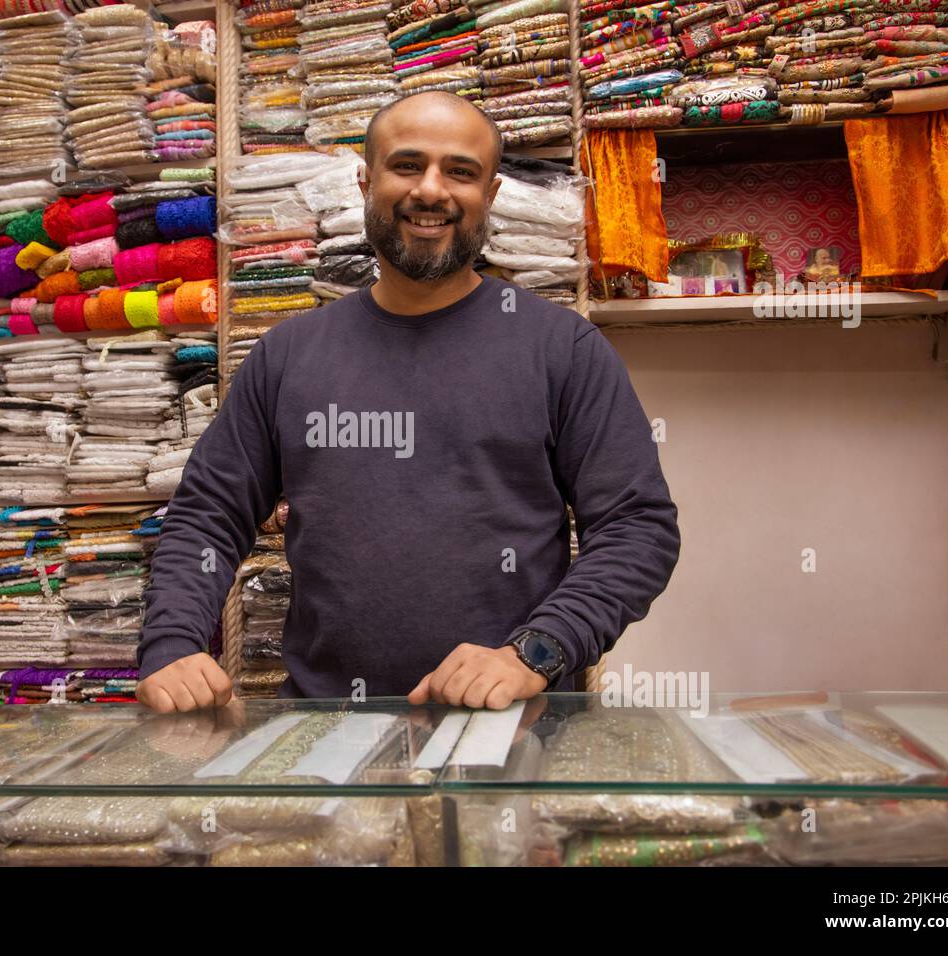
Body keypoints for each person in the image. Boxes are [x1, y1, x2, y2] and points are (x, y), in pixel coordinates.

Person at [135, 91, 681, 713]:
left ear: (491, 195)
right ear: (367, 182)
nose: (431, 190)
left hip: (513, 731)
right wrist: (172, 641)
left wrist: (534, 651)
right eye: (406, 165)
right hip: (326, 730)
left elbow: (637, 528)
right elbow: (209, 511)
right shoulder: (288, 355)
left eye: (460, 171)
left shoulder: (563, 350)